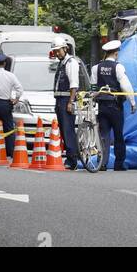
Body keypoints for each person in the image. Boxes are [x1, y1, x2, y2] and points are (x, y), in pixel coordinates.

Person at [91, 39, 136, 172]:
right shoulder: (118, 67)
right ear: (116, 54)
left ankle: (102, 163)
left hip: (102, 105)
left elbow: (93, 88)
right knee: (118, 135)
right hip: (115, 106)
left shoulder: (96, 67)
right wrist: (132, 102)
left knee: (103, 135)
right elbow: (126, 86)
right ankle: (119, 163)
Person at [51, 35, 82, 171]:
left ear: (65, 48)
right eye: (55, 51)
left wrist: (70, 101)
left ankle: (72, 159)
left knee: (68, 129)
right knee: (64, 130)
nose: (57, 53)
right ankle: (70, 157)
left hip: (66, 100)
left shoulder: (71, 63)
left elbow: (74, 84)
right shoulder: (62, 63)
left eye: (59, 50)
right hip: (60, 100)